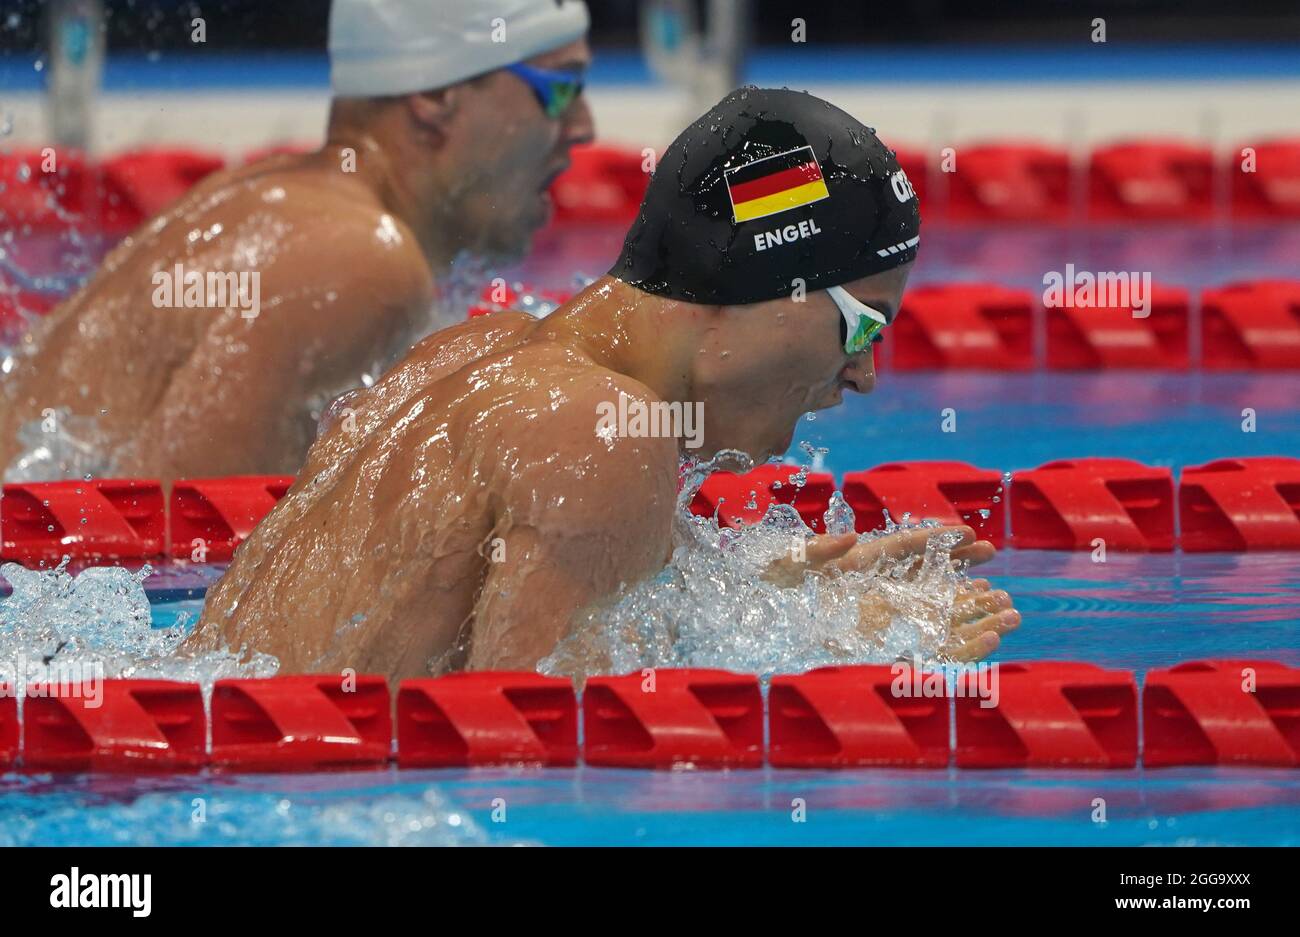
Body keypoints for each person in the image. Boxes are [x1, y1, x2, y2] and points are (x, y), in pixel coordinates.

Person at [185, 88, 1021, 679]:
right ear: (767, 282)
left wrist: (779, 605)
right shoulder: (605, 427)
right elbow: (527, 755)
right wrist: (837, 650)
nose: (867, 373)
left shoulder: (473, 355)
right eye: (864, 322)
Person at [0, 0, 594, 482]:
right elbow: (176, 552)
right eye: (561, 90)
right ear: (437, 96)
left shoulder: (281, 201)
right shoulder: (358, 258)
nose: (583, 128)